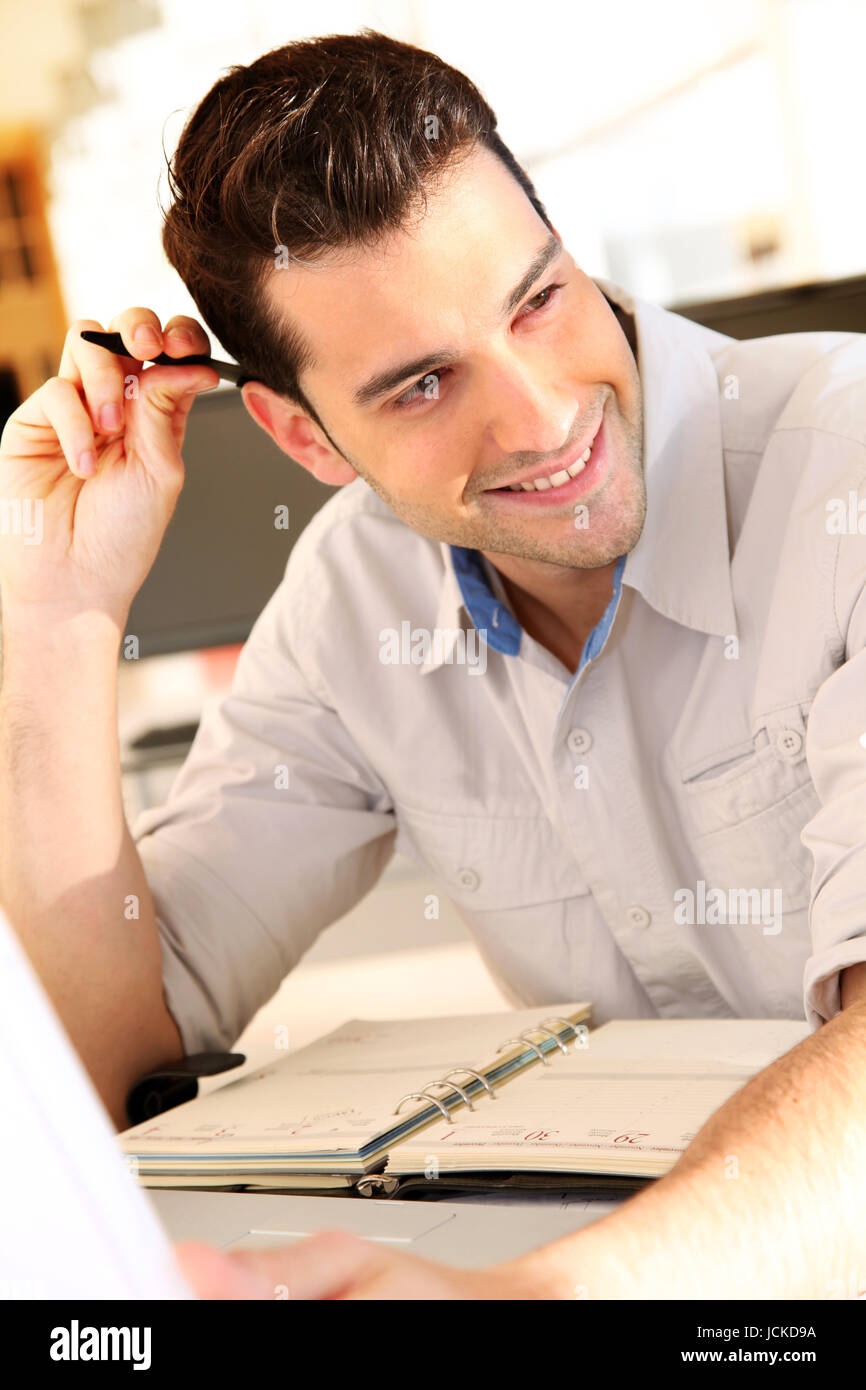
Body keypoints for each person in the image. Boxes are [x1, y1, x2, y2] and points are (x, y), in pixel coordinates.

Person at [0, 30, 864, 1300]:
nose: (542, 417)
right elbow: (103, 1050)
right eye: (419, 384)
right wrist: (59, 615)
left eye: (537, 298)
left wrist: (528, 1301)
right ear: (302, 437)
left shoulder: (841, 467)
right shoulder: (357, 600)